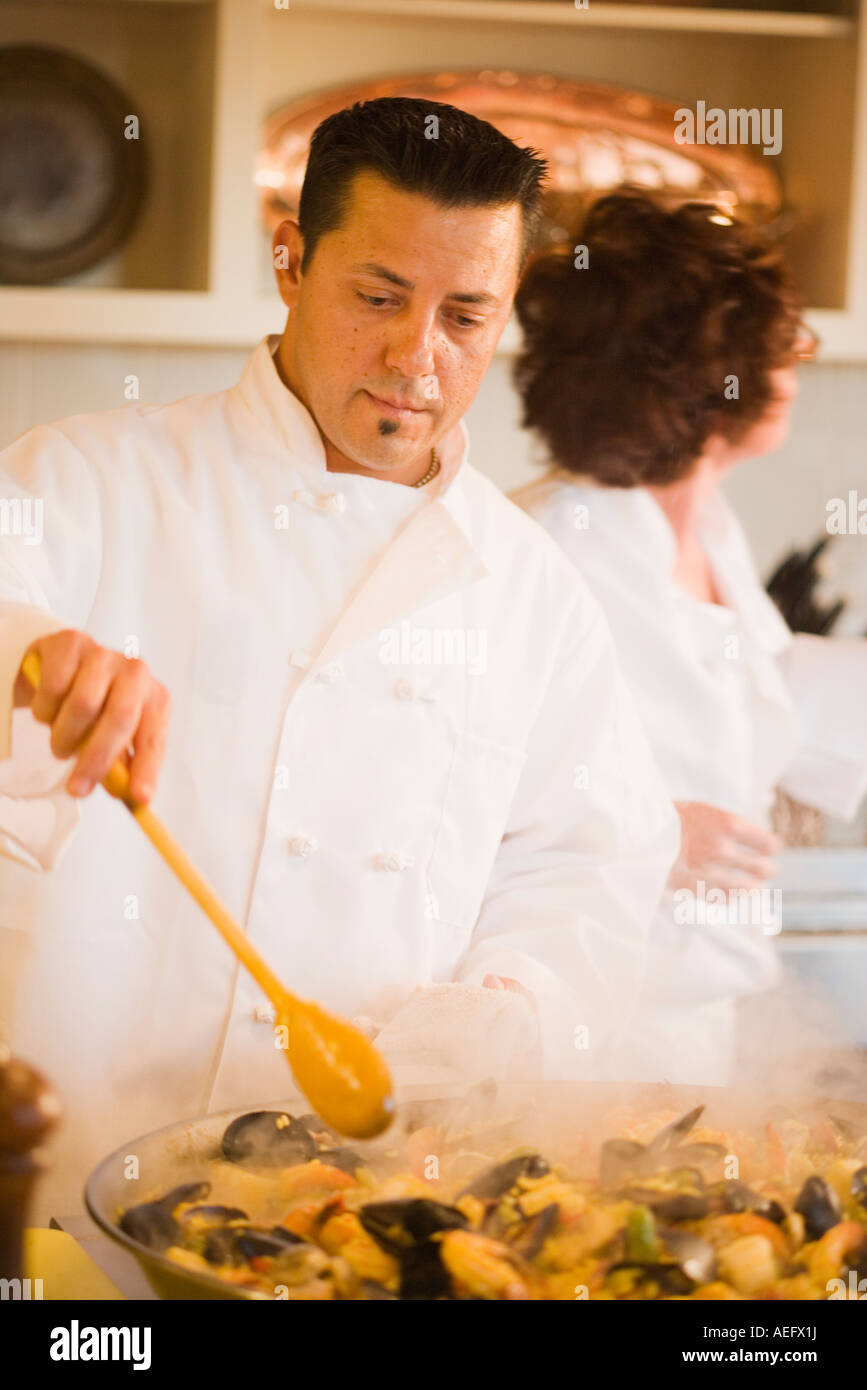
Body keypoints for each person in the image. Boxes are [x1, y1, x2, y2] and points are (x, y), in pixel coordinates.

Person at [0, 103, 678, 1218]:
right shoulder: (100, 477)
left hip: (348, 1216)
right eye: (378, 296)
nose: (419, 357)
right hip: (71, 1187)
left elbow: (588, 861)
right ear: (290, 257)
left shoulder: (529, 587)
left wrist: (514, 997)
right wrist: (33, 652)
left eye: (467, 314)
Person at [511, 191, 867, 1086]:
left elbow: (757, 684)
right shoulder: (546, 546)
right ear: (709, 377)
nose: (797, 366)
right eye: (782, 346)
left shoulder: (705, 526)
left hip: (696, 1015)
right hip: (578, 1028)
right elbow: (446, 793)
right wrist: (646, 831)